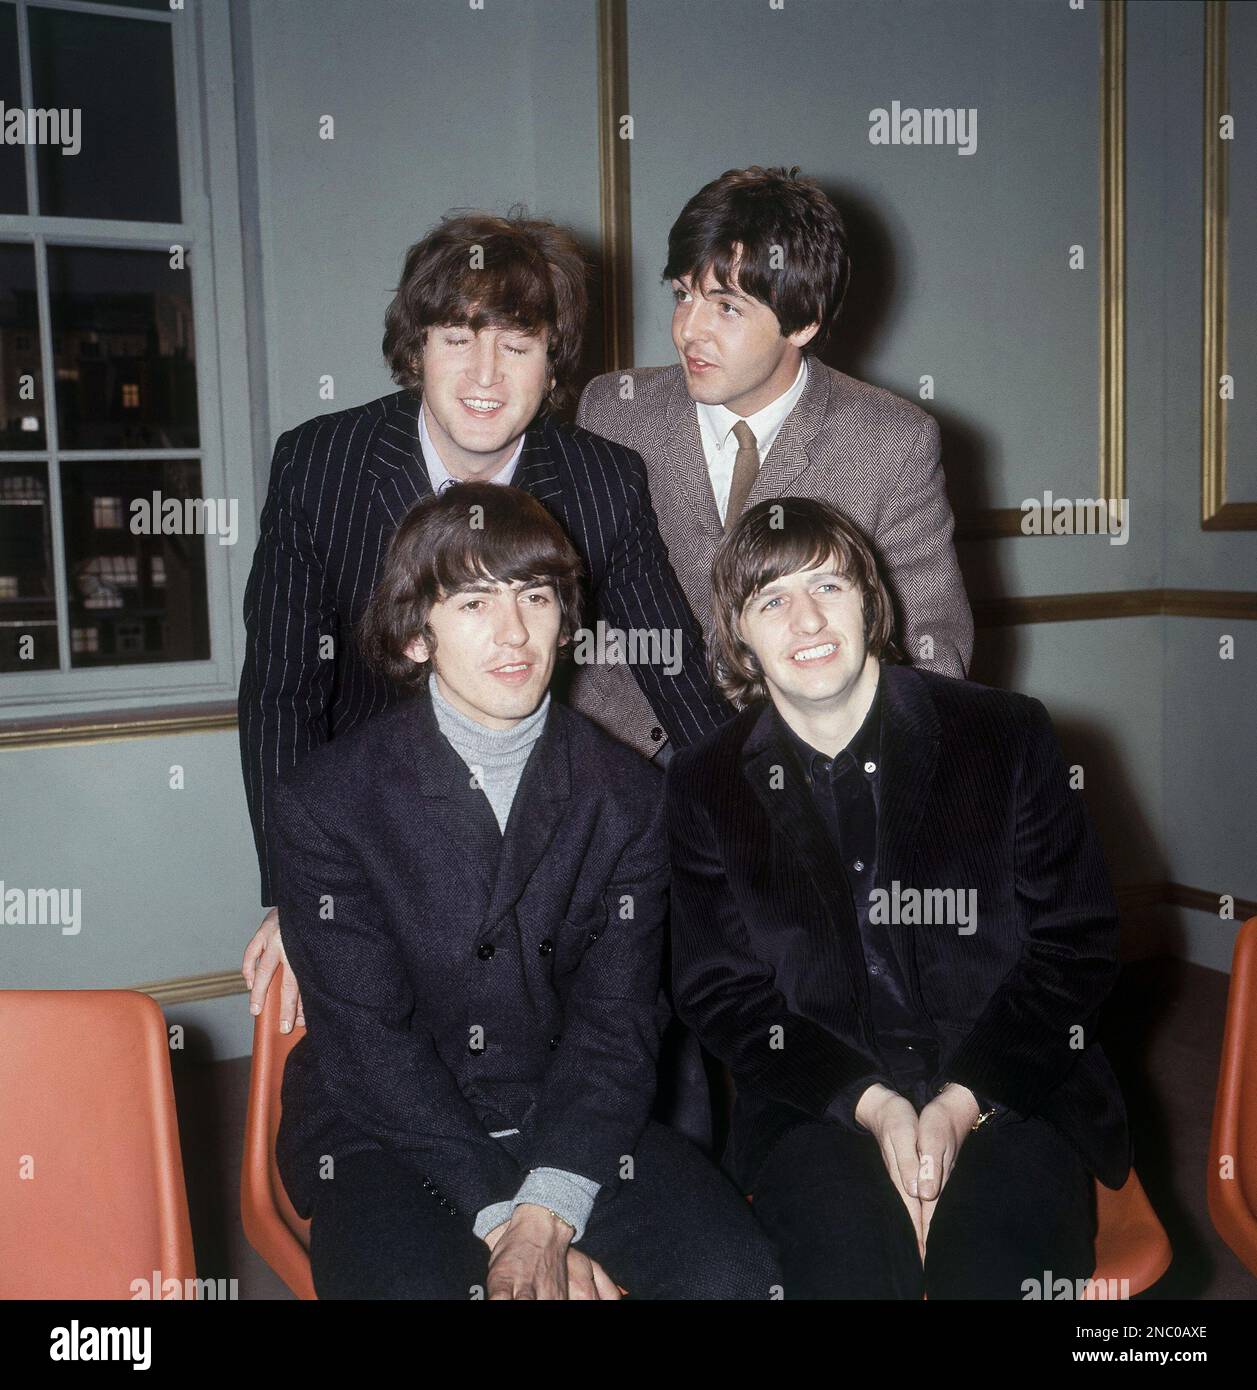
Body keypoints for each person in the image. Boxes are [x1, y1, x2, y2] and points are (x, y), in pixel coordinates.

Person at [269, 482, 777, 1299]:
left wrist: (548, 1207)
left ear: (563, 619)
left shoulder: (630, 798)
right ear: (414, 635)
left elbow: (615, 1027)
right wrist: (504, 1221)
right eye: (472, 602)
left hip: (573, 1120)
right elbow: (370, 1048)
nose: (512, 634)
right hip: (392, 1135)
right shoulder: (326, 802)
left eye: (534, 597)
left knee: (733, 1279)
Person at [239, 210, 727, 1033]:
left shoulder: (603, 481)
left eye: (517, 342)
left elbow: (675, 674)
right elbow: (282, 693)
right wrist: (296, 889)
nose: (485, 376)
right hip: (365, 830)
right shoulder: (319, 465)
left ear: (552, 361)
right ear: (416, 349)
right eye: (458, 337)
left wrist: (766, 829)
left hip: (527, 826)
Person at [665, 495, 1130, 1299]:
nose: (805, 621)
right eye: (771, 600)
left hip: (1011, 1087)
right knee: (840, 1277)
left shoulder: (1004, 735)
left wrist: (959, 1105)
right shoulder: (705, 783)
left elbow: (1075, 945)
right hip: (822, 1105)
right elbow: (723, 991)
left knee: (990, 1275)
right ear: (737, 631)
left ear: (871, 601)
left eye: (829, 588)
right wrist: (872, 1105)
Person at [575, 165, 973, 761]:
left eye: (727, 307)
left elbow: (932, 651)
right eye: (684, 295)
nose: (689, 330)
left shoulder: (891, 441)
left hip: (797, 790)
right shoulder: (613, 412)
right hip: (620, 777)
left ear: (804, 321)